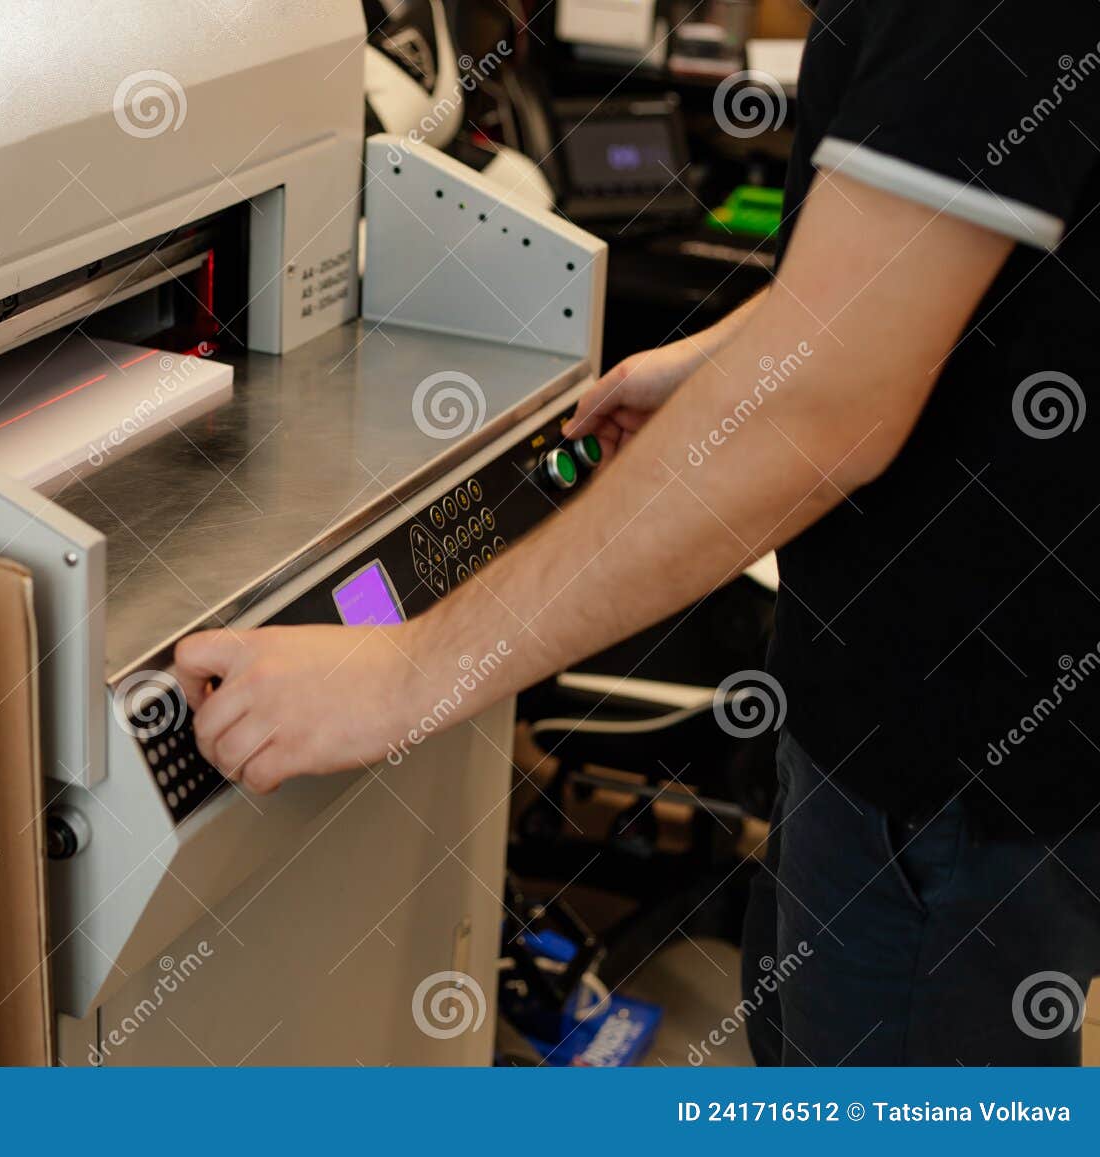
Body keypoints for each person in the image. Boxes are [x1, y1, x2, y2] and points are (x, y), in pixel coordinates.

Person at [176, 0, 1100, 1064]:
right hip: (881, 709)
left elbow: (824, 407)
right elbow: (944, 271)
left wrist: (400, 675)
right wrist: (729, 359)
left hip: (955, 753)